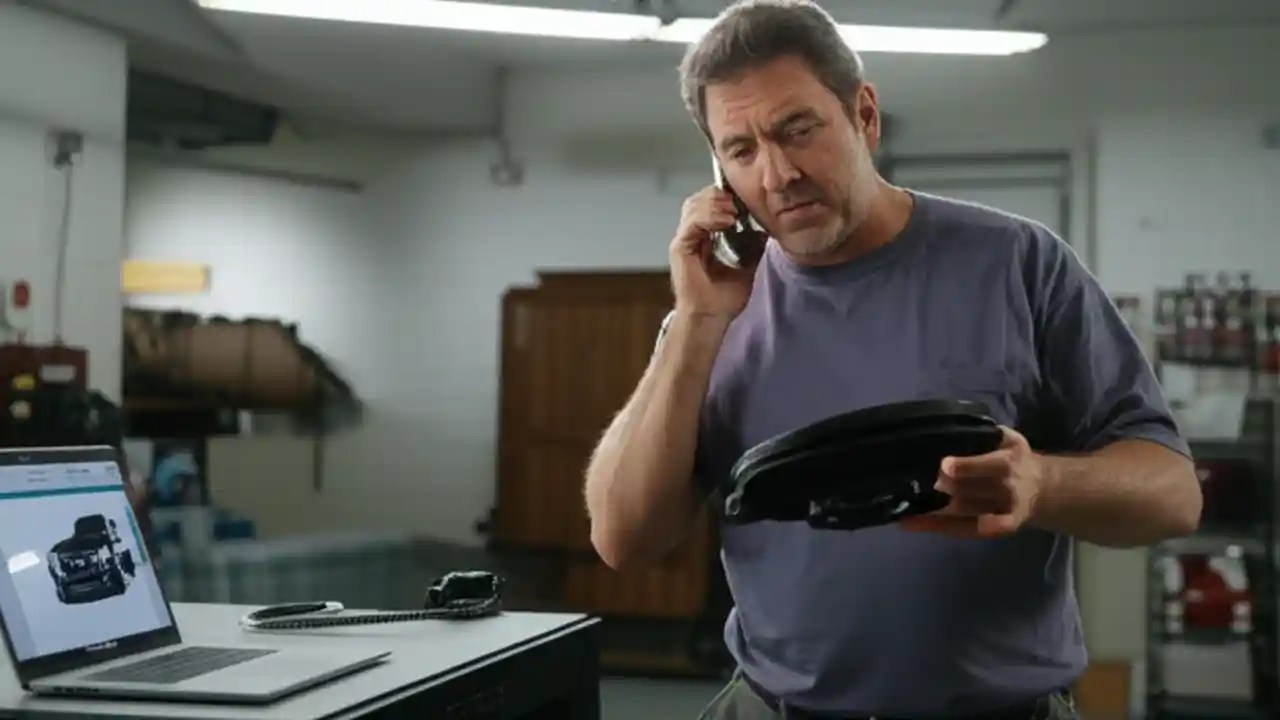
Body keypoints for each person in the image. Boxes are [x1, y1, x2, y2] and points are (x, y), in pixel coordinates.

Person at [583, 1, 1203, 718]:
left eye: (798, 129)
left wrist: (1040, 484)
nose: (779, 174)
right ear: (717, 170)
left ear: (865, 116)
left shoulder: (1018, 263)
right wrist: (694, 321)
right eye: (742, 150)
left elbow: (1173, 493)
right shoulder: (711, 314)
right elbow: (623, 539)